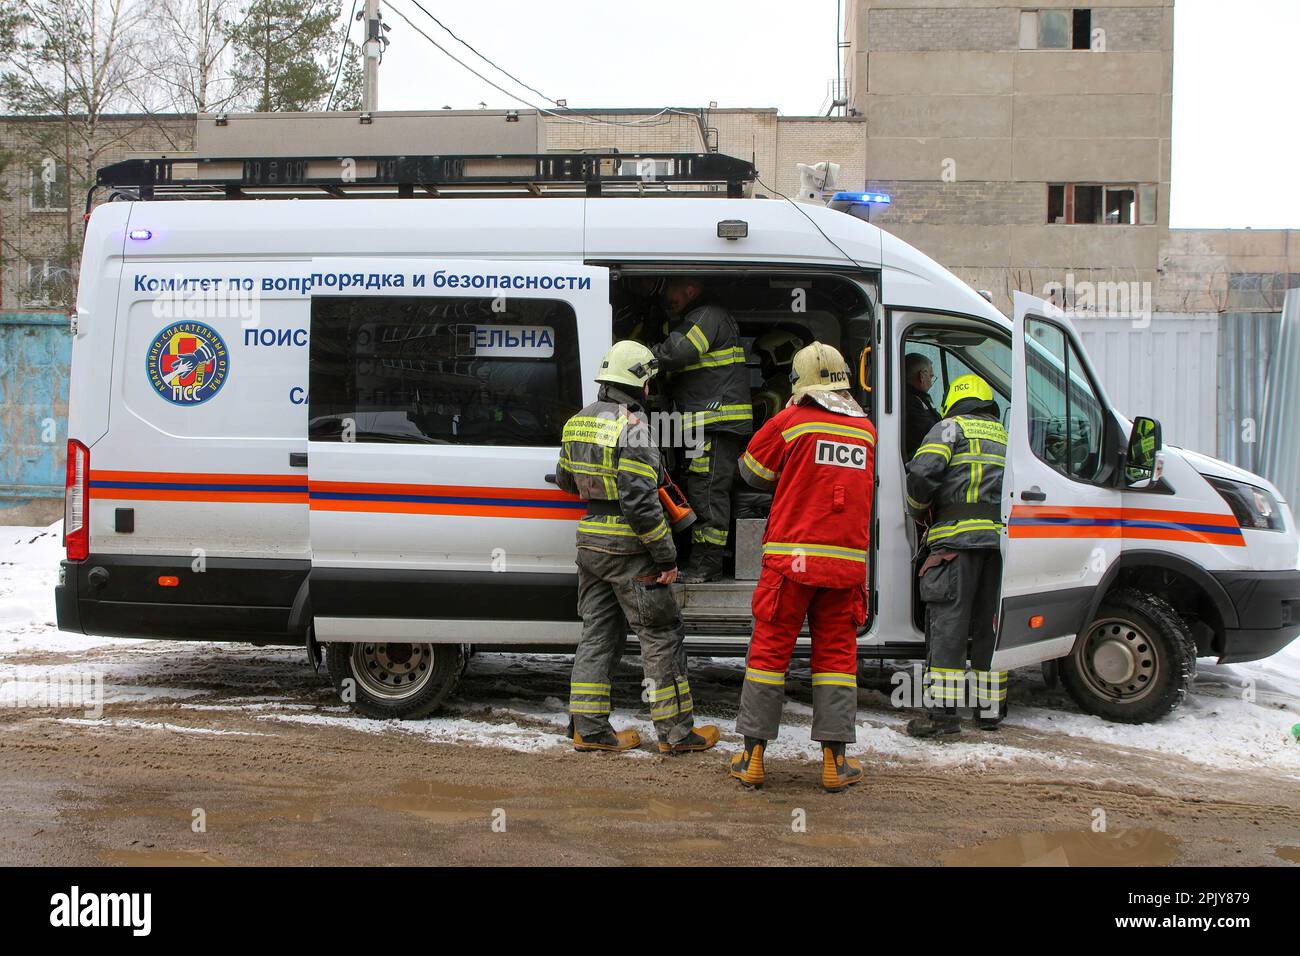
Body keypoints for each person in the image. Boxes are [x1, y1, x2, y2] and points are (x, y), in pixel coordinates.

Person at [554, 341, 721, 755]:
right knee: (661, 636)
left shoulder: (577, 422)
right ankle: (677, 735)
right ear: (641, 384)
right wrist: (666, 556)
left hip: (590, 540)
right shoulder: (633, 428)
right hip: (629, 548)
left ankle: (589, 730)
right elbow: (639, 502)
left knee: (597, 634)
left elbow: (564, 479)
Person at [728, 342, 876, 792]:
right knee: (836, 661)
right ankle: (836, 764)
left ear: (800, 383)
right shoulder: (866, 431)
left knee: (770, 656)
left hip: (790, 566)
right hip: (845, 570)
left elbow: (751, 471)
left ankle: (752, 759)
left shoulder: (791, 423)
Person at [904, 373, 1007, 738]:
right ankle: (988, 710)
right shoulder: (1006, 436)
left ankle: (943, 717)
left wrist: (918, 511)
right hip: (999, 548)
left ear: (954, 401)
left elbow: (921, 475)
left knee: (948, 629)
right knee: (989, 629)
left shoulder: (949, 428)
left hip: (953, 547)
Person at [651, 277, 753, 583]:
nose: (666, 298)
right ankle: (700, 561)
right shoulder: (699, 317)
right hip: (705, 425)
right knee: (700, 488)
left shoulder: (707, 315)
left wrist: (642, 356)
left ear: (691, 289)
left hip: (716, 424)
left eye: (670, 291)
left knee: (707, 491)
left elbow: (678, 351)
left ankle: (706, 565)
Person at [751, 329, 803, 428]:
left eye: (765, 359)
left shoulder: (770, 397)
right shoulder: (794, 388)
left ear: (780, 356)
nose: (761, 364)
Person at [903, 353, 940, 461]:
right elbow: (931, 433)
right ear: (922, 376)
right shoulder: (912, 402)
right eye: (931, 376)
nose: (932, 381)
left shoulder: (912, 397)